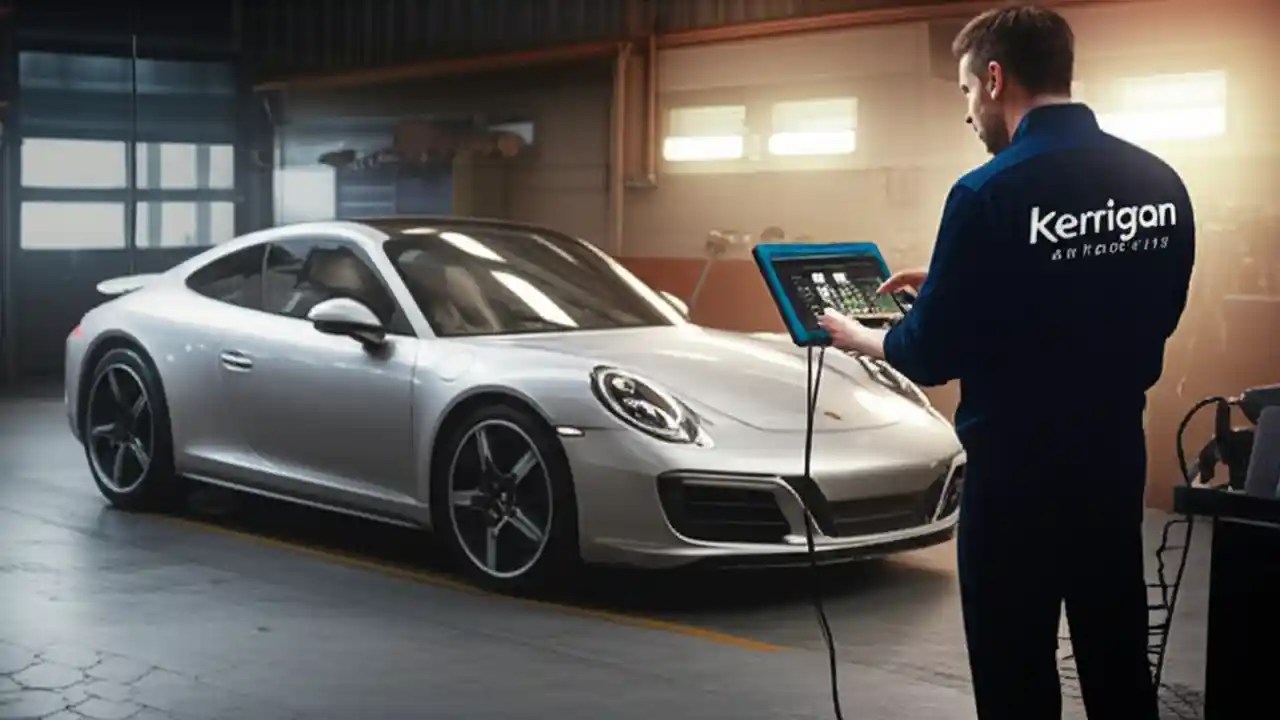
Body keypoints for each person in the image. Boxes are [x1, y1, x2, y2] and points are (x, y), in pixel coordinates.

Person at [819, 5, 1195, 719]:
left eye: (965, 92)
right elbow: (1144, 303)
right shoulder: (1159, 182)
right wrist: (960, 283)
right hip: (1114, 461)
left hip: (1017, 476)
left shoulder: (987, 192)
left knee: (1014, 664)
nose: (968, 113)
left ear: (994, 79)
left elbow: (931, 351)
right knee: (1116, 657)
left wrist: (861, 335)